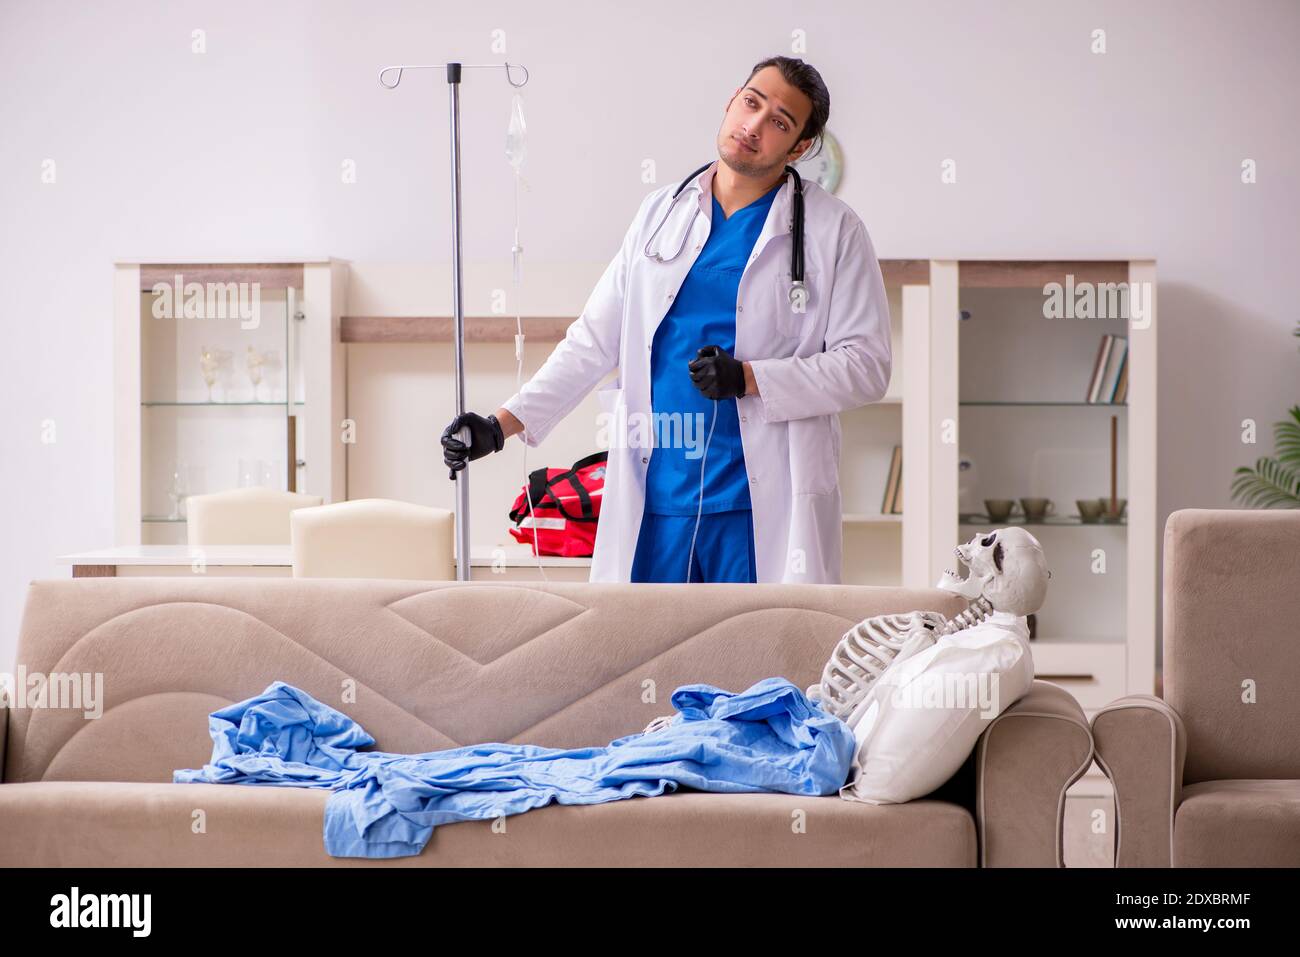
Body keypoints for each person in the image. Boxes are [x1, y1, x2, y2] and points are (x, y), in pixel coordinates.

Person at [441, 55, 891, 584]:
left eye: (779, 121)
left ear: (799, 148)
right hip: (656, 500)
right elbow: (593, 340)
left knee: (758, 661)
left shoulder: (834, 231)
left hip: (757, 503)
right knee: (646, 659)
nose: (754, 126)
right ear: (731, 102)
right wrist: (501, 425)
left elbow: (866, 365)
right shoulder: (659, 214)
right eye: (752, 103)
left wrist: (750, 378)